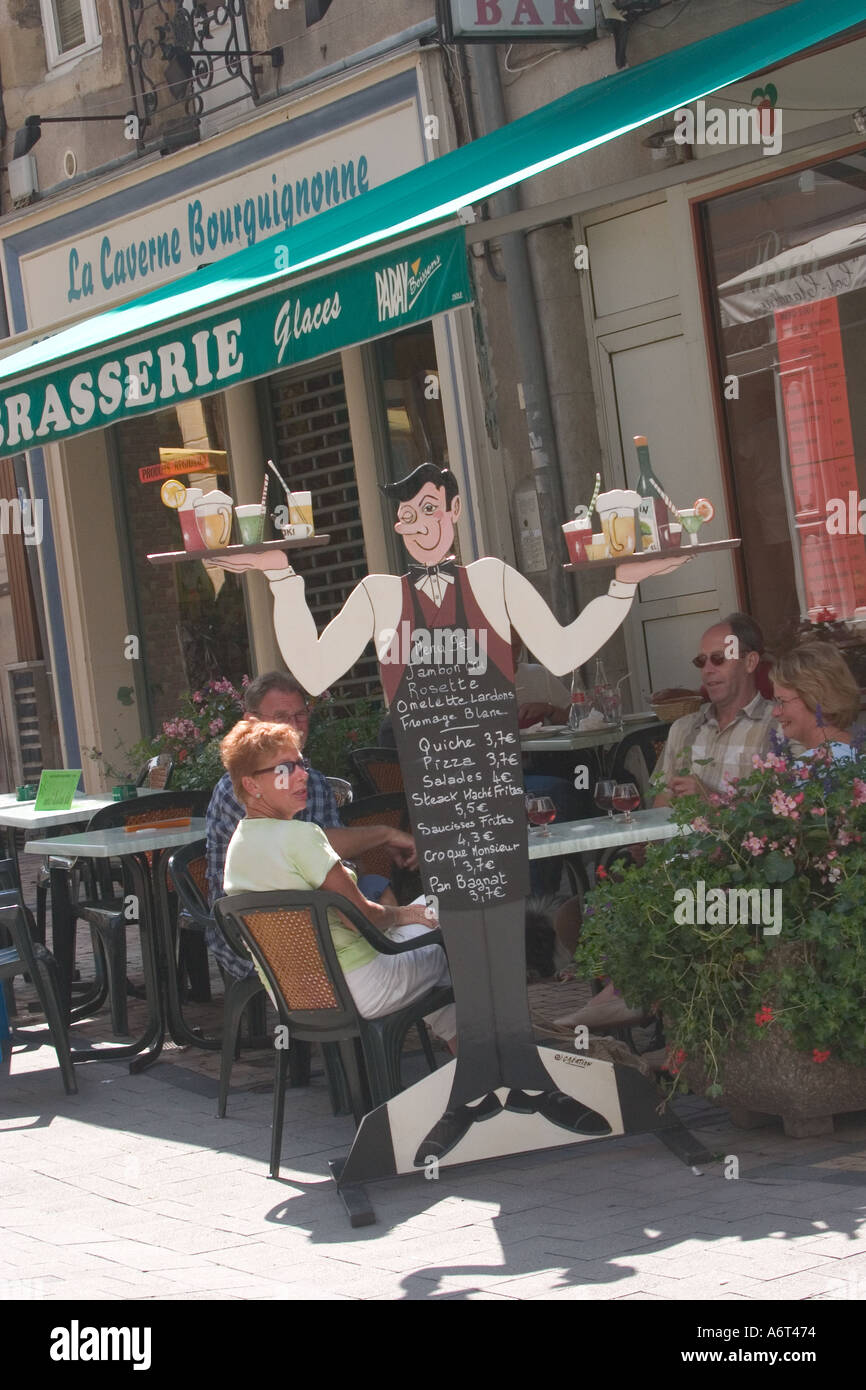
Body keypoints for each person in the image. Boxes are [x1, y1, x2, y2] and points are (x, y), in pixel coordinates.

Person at [213, 462, 691, 1169]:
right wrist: (281, 576)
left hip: (492, 788)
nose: (420, 527)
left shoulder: (493, 580)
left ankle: (521, 1075)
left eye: (431, 510)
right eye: (407, 518)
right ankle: (478, 1088)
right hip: (437, 796)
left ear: (457, 509)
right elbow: (311, 670)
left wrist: (623, 584)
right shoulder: (379, 596)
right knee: (463, 933)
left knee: (500, 921)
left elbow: (561, 650)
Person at [220, 719, 455, 1045]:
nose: (302, 775)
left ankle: (464, 1060)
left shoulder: (238, 847)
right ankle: (482, 1060)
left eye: (301, 764)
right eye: (285, 769)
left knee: (425, 938)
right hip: (360, 986)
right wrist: (405, 914)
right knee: (450, 914)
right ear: (252, 785)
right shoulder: (302, 836)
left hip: (296, 999)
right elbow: (364, 919)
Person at [205, 671, 417, 979]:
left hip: (319, 915)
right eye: (280, 717)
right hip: (257, 937)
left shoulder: (312, 780)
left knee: (381, 897)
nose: (293, 725)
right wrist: (384, 836)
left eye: (300, 715)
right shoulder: (243, 787)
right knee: (420, 940)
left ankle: (383, 998)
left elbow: (331, 856)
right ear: (251, 721)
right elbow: (323, 845)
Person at [654, 612, 777, 805]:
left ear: (750, 662)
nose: (707, 670)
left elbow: (787, 815)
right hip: (684, 836)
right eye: (701, 661)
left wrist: (712, 800)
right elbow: (660, 811)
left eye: (719, 659)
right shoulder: (682, 728)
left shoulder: (780, 725)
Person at [770, 641, 860, 761]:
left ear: (814, 697)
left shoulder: (810, 771)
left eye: (782, 701)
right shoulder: (856, 754)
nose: (775, 712)